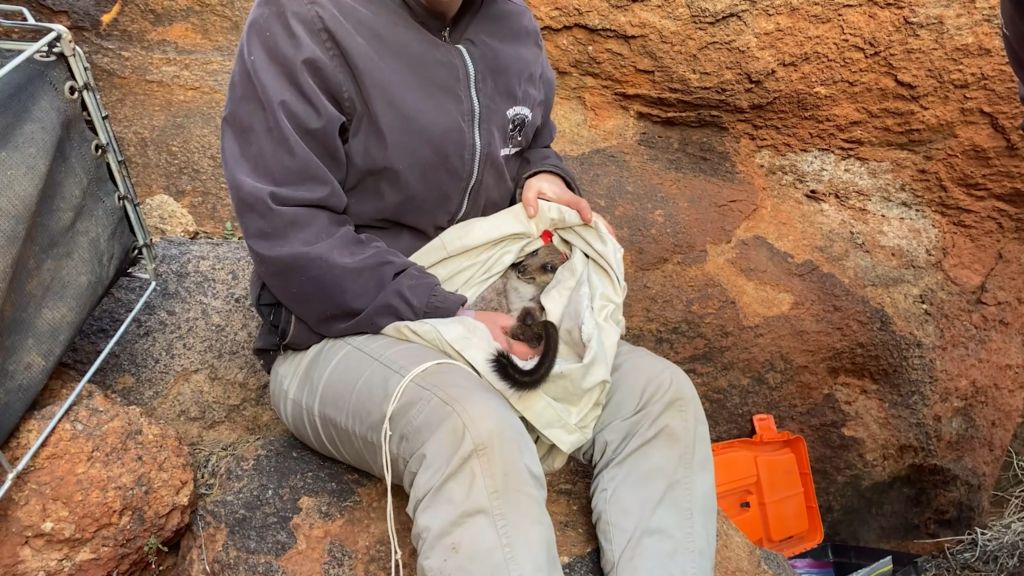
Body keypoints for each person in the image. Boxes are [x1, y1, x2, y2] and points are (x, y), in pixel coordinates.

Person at [220, 0, 717, 574]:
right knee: (472, 425)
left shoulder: (509, 20)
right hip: (336, 331)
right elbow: (288, 225)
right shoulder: (300, 18)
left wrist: (542, 175)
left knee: (660, 396)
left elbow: (527, 140)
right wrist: (447, 312)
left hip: (481, 307)